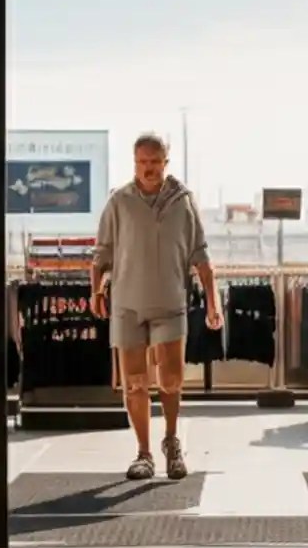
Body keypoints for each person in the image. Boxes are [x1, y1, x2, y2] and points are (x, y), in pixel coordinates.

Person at [91, 133, 222, 480]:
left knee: (171, 380)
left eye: (155, 162)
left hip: (170, 303)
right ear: (134, 163)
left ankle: (171, 441)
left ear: (166, 161)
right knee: (134, 383)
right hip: (127, 306)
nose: (148, 169)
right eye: (142, 162)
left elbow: (201, 256)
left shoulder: (184, 202)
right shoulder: (118, 202)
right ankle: (144, 453)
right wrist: (96, 290)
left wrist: (213, 301)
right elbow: (102, 253)